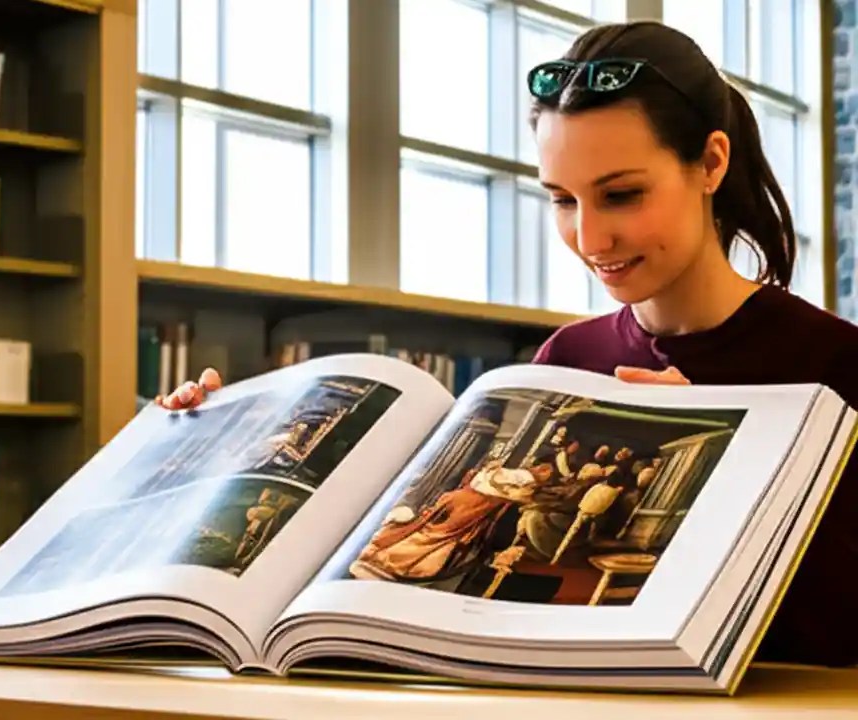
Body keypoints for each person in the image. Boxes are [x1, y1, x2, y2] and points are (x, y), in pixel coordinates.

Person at [154, 20, 858, 667]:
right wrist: (213, 448)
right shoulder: (563, 363)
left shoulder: (835, 368)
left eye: (621, 194)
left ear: (710, 163)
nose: (589, 239)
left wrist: (737, 464)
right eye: (561, 198)